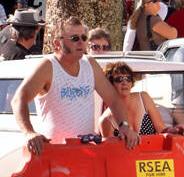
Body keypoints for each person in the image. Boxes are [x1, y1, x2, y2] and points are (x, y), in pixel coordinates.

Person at [11, 16, 141, 153]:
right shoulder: (48, 66)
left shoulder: (89, 64)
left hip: (86, 152)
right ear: (57, 44)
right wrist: (29, 132)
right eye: (74, 38)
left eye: (84, 38)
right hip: (55, 154)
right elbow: (18, 99)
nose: (81, 42)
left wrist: (124, 126)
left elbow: (114, 99)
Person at [100, 62, 173, 136]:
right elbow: (110, 147)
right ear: (110, 83)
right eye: (119, 79)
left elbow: (162, 129)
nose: (125, 82)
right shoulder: (106, 120)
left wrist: (175, 130)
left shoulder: (144, 98)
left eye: (128, 78)